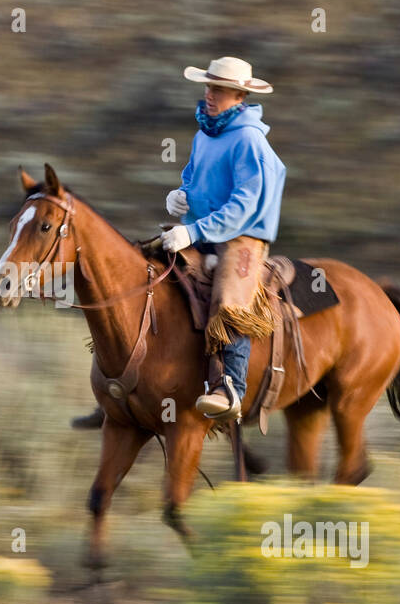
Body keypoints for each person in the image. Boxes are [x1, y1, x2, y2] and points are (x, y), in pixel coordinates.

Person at [69, 56, 285, 428]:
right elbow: (195, 178)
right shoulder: (206, 134)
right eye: (208, 87)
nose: (209, 94)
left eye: (217, 89)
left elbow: (245, 204)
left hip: (242, 238)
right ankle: (125, 381)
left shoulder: (249, 139)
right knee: (145, 267)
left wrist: (194, 231)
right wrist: (182, 195)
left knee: (230, 300)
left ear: (238, 94)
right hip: (202, 229)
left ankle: (230, 387)